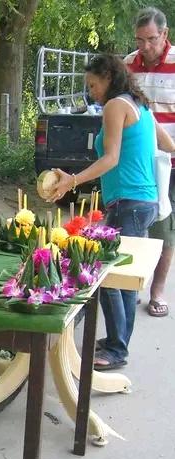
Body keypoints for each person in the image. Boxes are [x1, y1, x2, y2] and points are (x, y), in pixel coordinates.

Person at [50, 53, 175, 371]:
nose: (91, 91)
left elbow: (112, 158)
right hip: (143, 202)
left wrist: (72, 180)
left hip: (128, 203)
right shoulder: (140, 106)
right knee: (125, 276)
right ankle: (116, 342)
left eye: (93, 84)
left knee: (107, 275)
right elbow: (168, 144)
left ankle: (117, 349)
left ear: (108, 78)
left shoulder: (115, 106)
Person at [124, 7, 175, 317]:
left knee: (165, 228)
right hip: (138, 162)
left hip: (171, 162)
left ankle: (157, 291)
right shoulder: (129, 64)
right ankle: (131, 286)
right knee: (132, 224)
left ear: (165, 35)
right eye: (140, 40)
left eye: (151, 39)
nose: (145, 46)